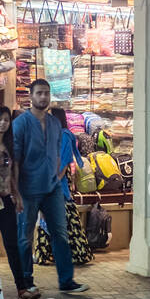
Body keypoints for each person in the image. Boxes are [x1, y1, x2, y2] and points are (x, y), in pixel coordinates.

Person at [13, 79, 87, 299]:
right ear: (31, 96)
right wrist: (16, 190)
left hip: (52, 187)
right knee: (25, 237)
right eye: (39, 93)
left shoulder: (55, 124)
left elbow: (56, 154)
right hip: (27, 189)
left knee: (60, 235)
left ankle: (67, 281)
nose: (43, 97)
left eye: (46, 93)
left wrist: (55, 176)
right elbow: (15, 159)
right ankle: (26, 282)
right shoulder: (22, 124)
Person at [0, 106, 25, 298]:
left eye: (6, 120)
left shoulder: (10, 147)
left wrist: (17, 196)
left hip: (6, 201)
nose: (3, 123)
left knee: (12, 244)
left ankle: (22, 287)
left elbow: (12, 175)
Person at [48, 107, 93, 266]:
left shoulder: (65, 135)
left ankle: (75, 253)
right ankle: (49, 253)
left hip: (58, 179)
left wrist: (56, 177)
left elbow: (65, 160)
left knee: (66, 215)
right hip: (52, 178)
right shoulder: (52, 134)